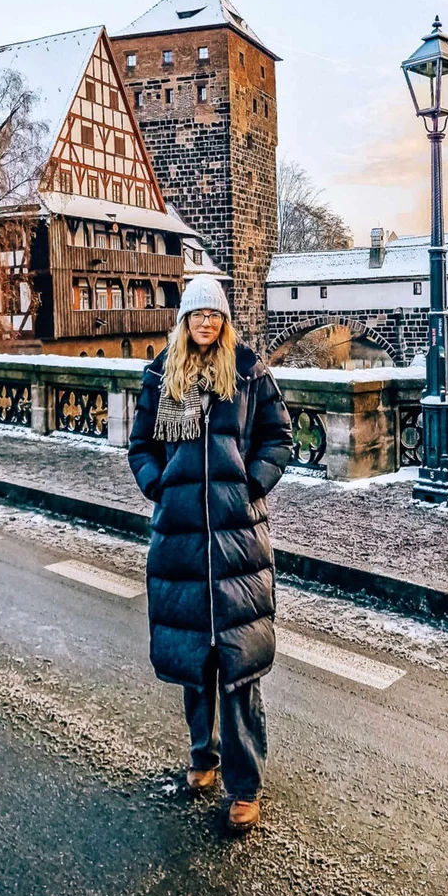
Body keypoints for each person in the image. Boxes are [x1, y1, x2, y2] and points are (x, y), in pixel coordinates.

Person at [128, 274, 293, 833]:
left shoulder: (247, 373)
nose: (206, 323)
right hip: (180, 538)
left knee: (239, 668)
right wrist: (159, 485)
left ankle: (245, 786)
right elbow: (141, 445)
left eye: (214, 315)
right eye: (197, 315)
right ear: (183, 320)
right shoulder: (160, 375)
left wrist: (250, 483)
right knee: (196, 664)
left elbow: (278, 437)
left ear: (224, 321)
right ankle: (204, 756)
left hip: (236, 540)